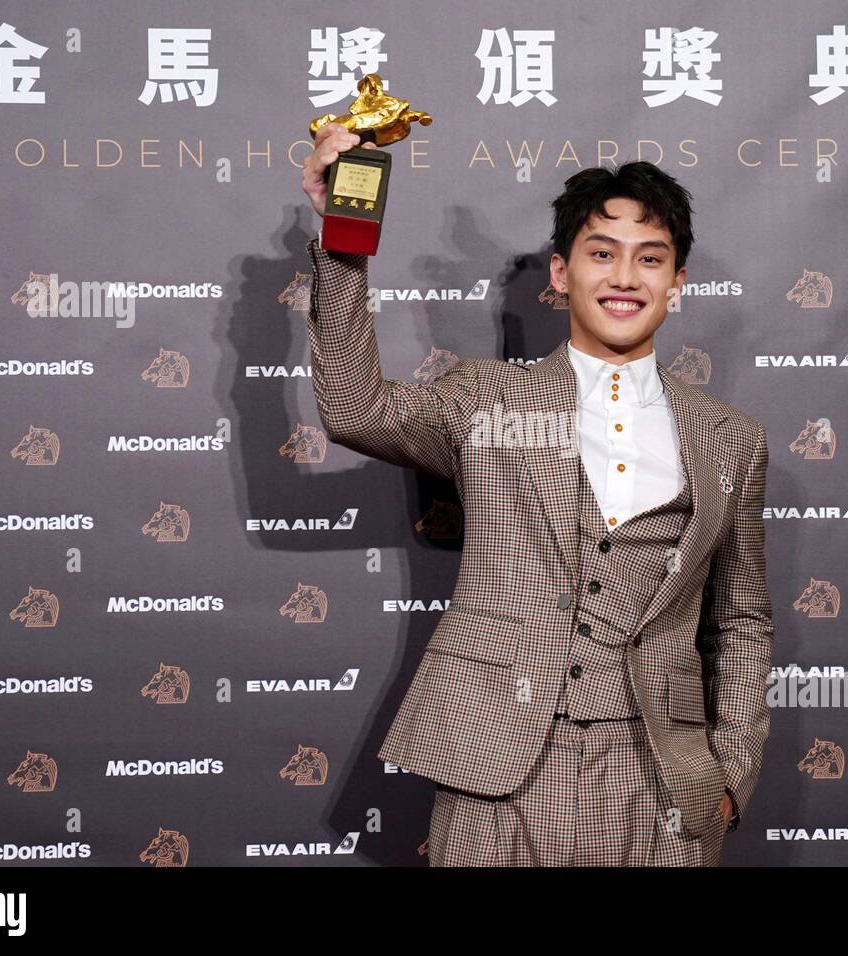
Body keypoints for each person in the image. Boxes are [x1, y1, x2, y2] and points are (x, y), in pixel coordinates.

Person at [300, 124, 774, 865]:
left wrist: (730, 778)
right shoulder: (484, 397)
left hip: (659, 782)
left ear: (677, 283)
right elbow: (354, 410)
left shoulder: (731, 437)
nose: (626, 277)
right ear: (560, 273)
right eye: (601, 253)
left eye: (651, 259)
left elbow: (742, 623)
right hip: (498, 766)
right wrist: (343, 236)